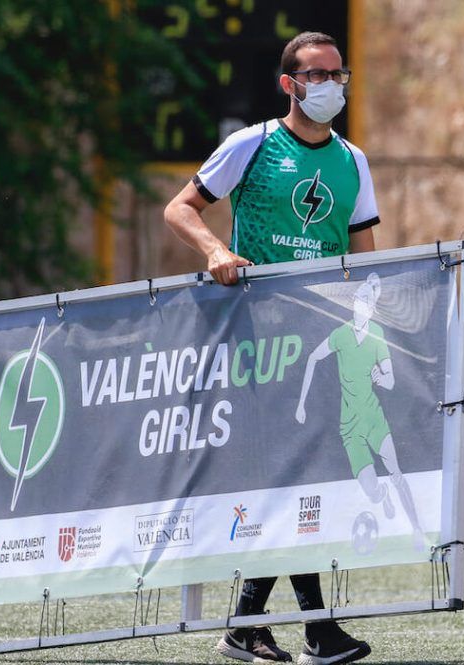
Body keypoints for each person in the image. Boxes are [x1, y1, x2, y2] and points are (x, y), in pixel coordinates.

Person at [164, 30, 378, 665]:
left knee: (301, 481)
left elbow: (366, 259)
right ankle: (306, 627)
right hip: (256, 340)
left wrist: (375, 317)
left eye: (337, 74)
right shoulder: (252, 143)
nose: (330, 85)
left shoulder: (353, 160)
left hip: (322, 339)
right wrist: (216, 251)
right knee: (287, 477)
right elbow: (179, 208)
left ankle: (266, 625)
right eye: (316, 75)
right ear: (290, 84)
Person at [295, 273, 427, 551]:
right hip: (350, 426)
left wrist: (381, 376)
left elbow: (390, 380)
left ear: (372, 307)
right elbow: (312, 358)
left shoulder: (378, 335)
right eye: (358, 298)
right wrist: (301, 404)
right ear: (353, 303)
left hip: (373, 418)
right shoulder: (340, 335)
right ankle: (382, 494)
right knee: (371, 489)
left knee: (396, 471)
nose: (360, 303)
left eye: (366, 300)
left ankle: (417, 529)